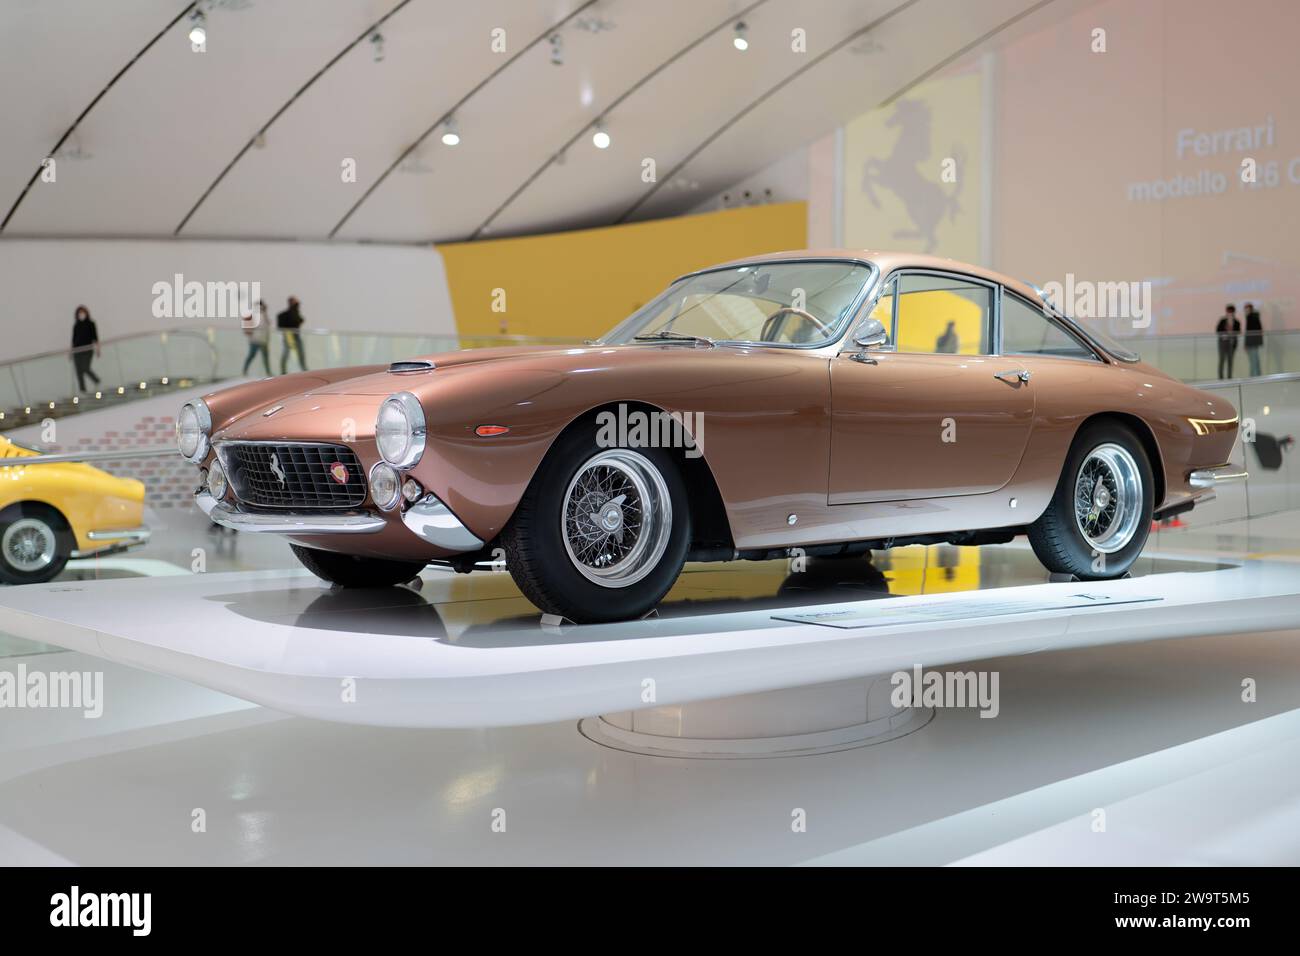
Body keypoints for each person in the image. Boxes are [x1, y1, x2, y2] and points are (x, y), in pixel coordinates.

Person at [71, 305, 101, 392]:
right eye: (79, 313)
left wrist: (98, 349)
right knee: (78, 371)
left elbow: (95, 337)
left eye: (82, 312)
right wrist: (71, 352)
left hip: (87, 349)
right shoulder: (76, 325)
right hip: (77, 351)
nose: (81, 314)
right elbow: (73, 339)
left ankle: (97, 380)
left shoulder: (91, 324)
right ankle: (82, 390)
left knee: (85, 367)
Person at [277, 296, 308, 374]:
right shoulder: (285, 315)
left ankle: (305, 370)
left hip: (296, 336)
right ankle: (283, 371)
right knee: (286, 354)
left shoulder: (296, 313)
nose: (297, 304)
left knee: (301, 354)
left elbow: (299, 320)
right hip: (288, 336)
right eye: (296, 302)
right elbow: (290, 321)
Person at [241, 300, 271, 376]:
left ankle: (268, 372)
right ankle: (245, 371)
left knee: (265, 357)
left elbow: (268, 324)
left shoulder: (263, 315)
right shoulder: (252, 315)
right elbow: (248, 326)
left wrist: (265, 312)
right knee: (252, 355)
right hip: (255, 339)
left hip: (263, 339)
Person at [1215, 304, 1240, 379]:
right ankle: (1220, 378)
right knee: (1222, 360)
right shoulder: (1222, 320)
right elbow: (1217, 330)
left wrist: (1232, 330)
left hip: (1232, 343)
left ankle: (1229, 377)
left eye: (1231, 311)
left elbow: (1238, 331)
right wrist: (1225, 329)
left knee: (1230, 361)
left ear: (1234, 312)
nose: (1230, 313)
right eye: (1228, 311)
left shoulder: (1236, 321)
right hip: (1222, 342)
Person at [1244, 301, 1263, 377]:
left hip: (1252, 342)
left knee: (1254, 360)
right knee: (1255, 359)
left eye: (1247, 309)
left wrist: (1246, 343)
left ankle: (1254, 375)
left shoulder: (1251, 317)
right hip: (1254, 342)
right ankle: (1256, 374)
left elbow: (1249, 331)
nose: (1245, 310)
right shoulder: (1253, 317)